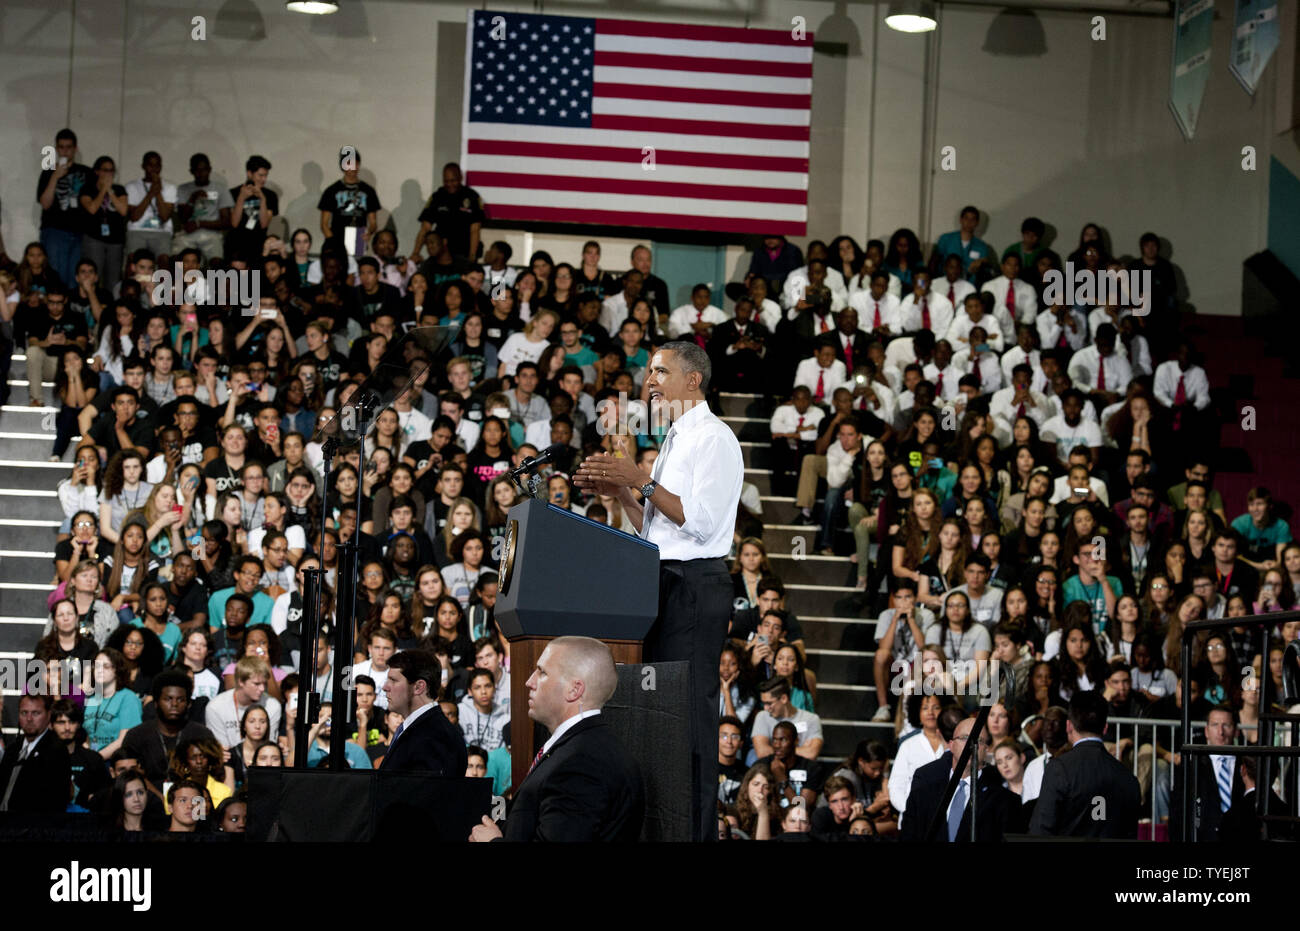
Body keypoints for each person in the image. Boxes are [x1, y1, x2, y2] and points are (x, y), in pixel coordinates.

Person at [574, 340, 742, 842]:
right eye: (649, 372)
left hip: (695, 586)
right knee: (660, 718)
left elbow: (699, 522)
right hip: (664, 580)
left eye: (660, 371)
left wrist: (640, 479)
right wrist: (622, 491)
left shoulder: (713, 437)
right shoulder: (674, 437)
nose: (649, 381)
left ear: (693, 380)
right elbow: (655, 530)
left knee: (687, 721)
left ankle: (692, 833)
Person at [469, 636, 645, 842]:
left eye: (542, 672)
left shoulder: (582, 763)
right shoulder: (578, 748)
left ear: (574, 689)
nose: (529, 681)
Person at [1029, 691, 1142, 838]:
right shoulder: (1128, 778)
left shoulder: (1059, 768)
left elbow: (1041, 829)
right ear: (1105, 728)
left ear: (1068, 726)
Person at [900, 710, 1014, 842]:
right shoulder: (922, 794)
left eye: (979, 741)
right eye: (965, 738)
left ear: (986, 750)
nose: (972, 746)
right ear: (951, 745)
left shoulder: (1004, 800)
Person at [379, 649, 467, 775]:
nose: (385, 687)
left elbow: (425, 792)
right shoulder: (420, 729)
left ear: (419, 687)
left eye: (393, 680)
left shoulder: (436, 737)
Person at [1168, 704, 1246, 841]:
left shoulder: (1248, 765)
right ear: (1206, 731)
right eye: (1215, 725)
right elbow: (1177, 812)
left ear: (1236, 731)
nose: (1220, 731)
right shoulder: (1190, 768)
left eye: (1226, 725)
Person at [0, 694, 71, 813]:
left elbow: (55, 802)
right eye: (24, 713)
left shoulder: (57, 752)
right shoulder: (12, 749)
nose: (29, 718)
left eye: (36, 713)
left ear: (48, 716)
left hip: (34, 827)